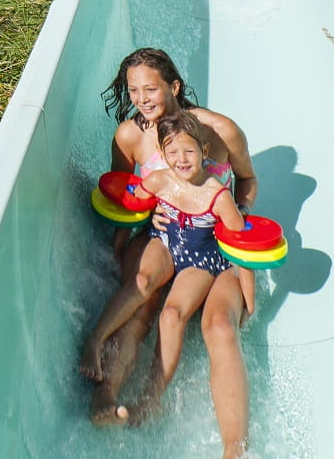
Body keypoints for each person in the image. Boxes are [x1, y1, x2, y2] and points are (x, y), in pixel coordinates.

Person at [82, 49, 257, 456]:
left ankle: (235, 447)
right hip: (163, 237)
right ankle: (105, 393)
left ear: (173, 86)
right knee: (144, 293)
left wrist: (231, 216)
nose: (141, 98)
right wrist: (128, 235)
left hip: (219, 242)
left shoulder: (220, 131)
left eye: (151, 88)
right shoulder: (130, 136)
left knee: (218, 326)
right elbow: (125, 193)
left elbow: (248, 182)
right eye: (133, 90)